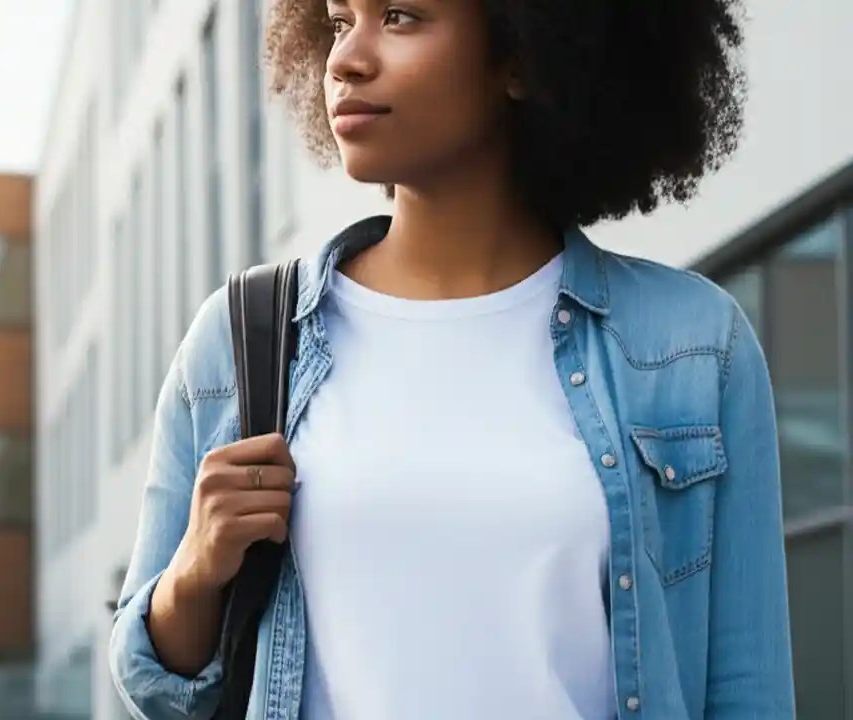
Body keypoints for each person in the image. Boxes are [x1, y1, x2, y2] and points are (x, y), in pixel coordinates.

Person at [109, 0, 795, 718]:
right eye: (341, 20)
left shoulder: (691, 346)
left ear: (522, 57)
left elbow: (749, 693)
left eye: (399, 17)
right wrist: (194, 572)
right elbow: (149, 691)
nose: (346, 59)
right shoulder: (242, 342)